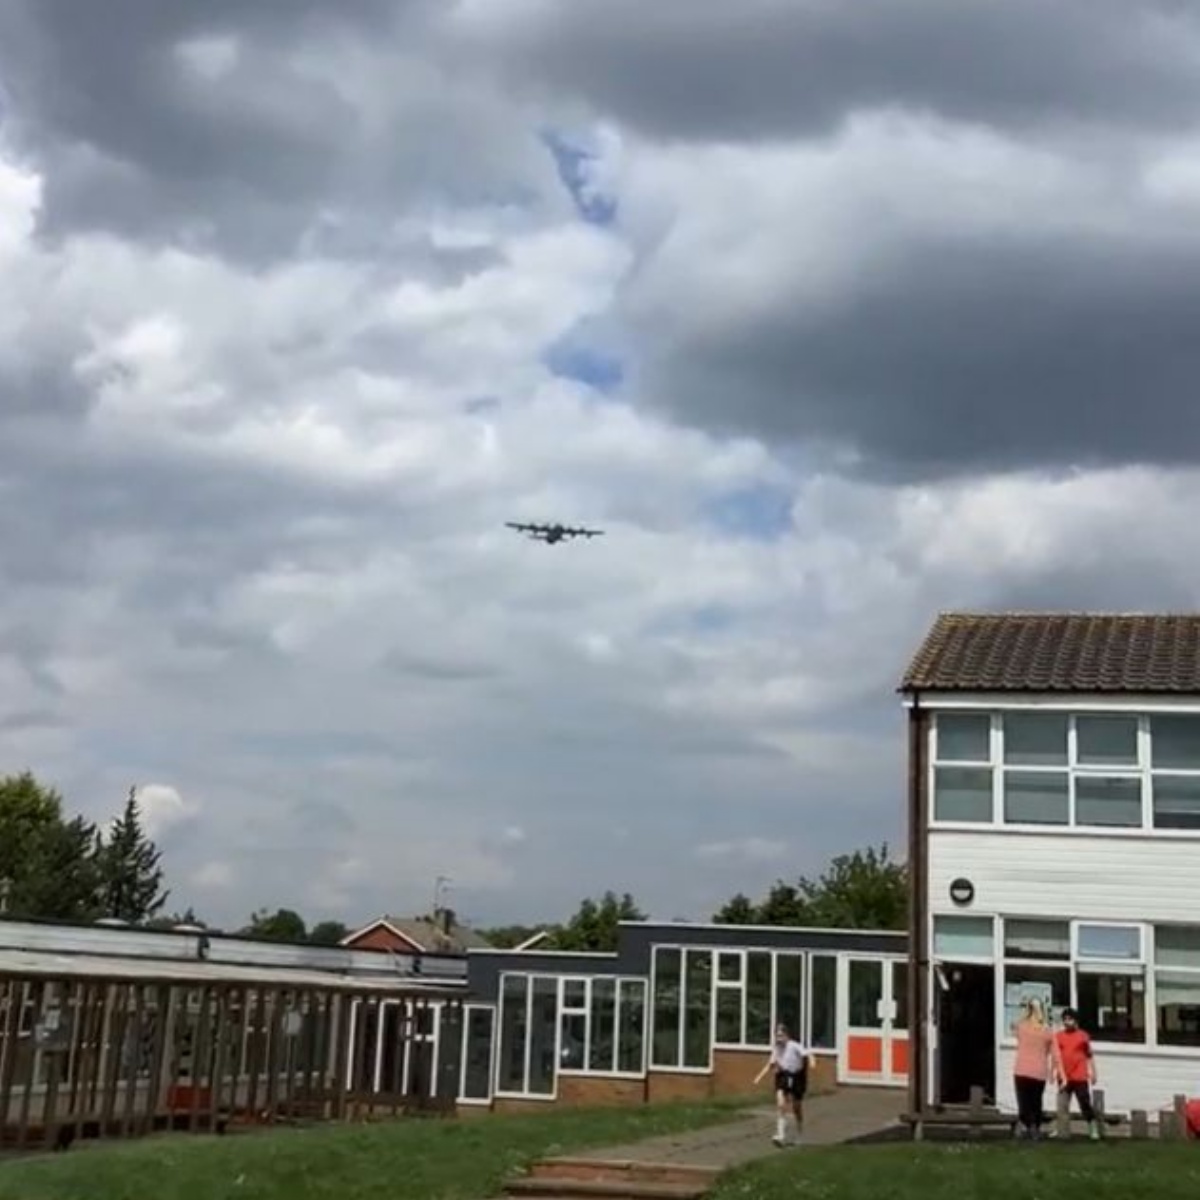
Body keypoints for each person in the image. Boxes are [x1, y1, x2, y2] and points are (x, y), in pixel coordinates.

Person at [754, 1023, 815, 1146]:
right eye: (777, 1036)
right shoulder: (776, 1048)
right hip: (783, 1075)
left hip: (797, 1076)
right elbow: (770, 1064)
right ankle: (780, 1135)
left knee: (796, 1107)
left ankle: (799, 1133)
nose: (779, 1039)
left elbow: (808, 1054)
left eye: (781, 1036)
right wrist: (759, 1076)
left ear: (787, 1035)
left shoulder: (794, 1046)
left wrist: (812, 1062)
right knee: (781, 1104)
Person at [1011, 997, 1057, 1139]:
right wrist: (1026, 1012)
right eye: (1033, 1008)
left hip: (1038, 1071)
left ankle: (1034, 1128)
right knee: (1024, 1103)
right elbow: (1013, 1025)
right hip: (1022, 1070)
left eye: (1037, 1008)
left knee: (1035, 1102)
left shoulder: (1047, 1030)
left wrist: (1053, 1070)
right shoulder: (1023, 1026)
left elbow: (1052, 1051)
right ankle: (1027, 1125)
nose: (1035, 1011)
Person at [1054, 1007, 1101, 1141]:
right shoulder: (1059, 1036)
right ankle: (1062, 1130)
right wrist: (1053, 1072)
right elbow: (1056, 1056)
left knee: (1084, 1103)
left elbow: (1089, 1055)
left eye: (1070, 1019)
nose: (1067, 1022)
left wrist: (1094, 1073)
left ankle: (1092, 1126)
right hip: (1064, 1077)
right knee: (1062, 1105)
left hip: (1079, 1076)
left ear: (1075, 1021)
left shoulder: (1083, 1036)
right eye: (1065, 1020)